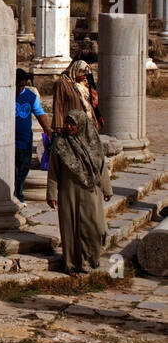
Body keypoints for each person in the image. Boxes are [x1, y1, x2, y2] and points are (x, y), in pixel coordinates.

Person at [47, 108, 112, 274]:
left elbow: (102, 168)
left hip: (92, 191)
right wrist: (52, 194)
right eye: (67, 123)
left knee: (95, 227)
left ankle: (91, 259)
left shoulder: (94, 143)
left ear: (81, 125)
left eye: (72, 123)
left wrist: (107, 189)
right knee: (71, 229)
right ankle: (72, 264)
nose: (68, 127)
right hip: (69, 192)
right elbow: (53, 171)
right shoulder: (60, 145)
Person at [14, 68, 52, 202]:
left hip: (25, 140)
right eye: (17, 85)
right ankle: (17, 195)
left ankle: (18, 192)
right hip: (10, 142)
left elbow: (39, 112)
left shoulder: (31, 97)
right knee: (13, 171)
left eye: (22, 85)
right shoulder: (6, 94)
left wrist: (47, 128)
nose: (19, 88)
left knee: (23, 168)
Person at [52, 59, 96, 129]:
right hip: (69, 126)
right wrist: (58, 125)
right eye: (83, 74)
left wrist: (94, 121)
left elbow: (88, 105)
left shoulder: (83, 85)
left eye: (86, 75)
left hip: (84, 125)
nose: (85, 77)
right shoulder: (62, 83)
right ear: (77, 71)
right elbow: (58, 105)